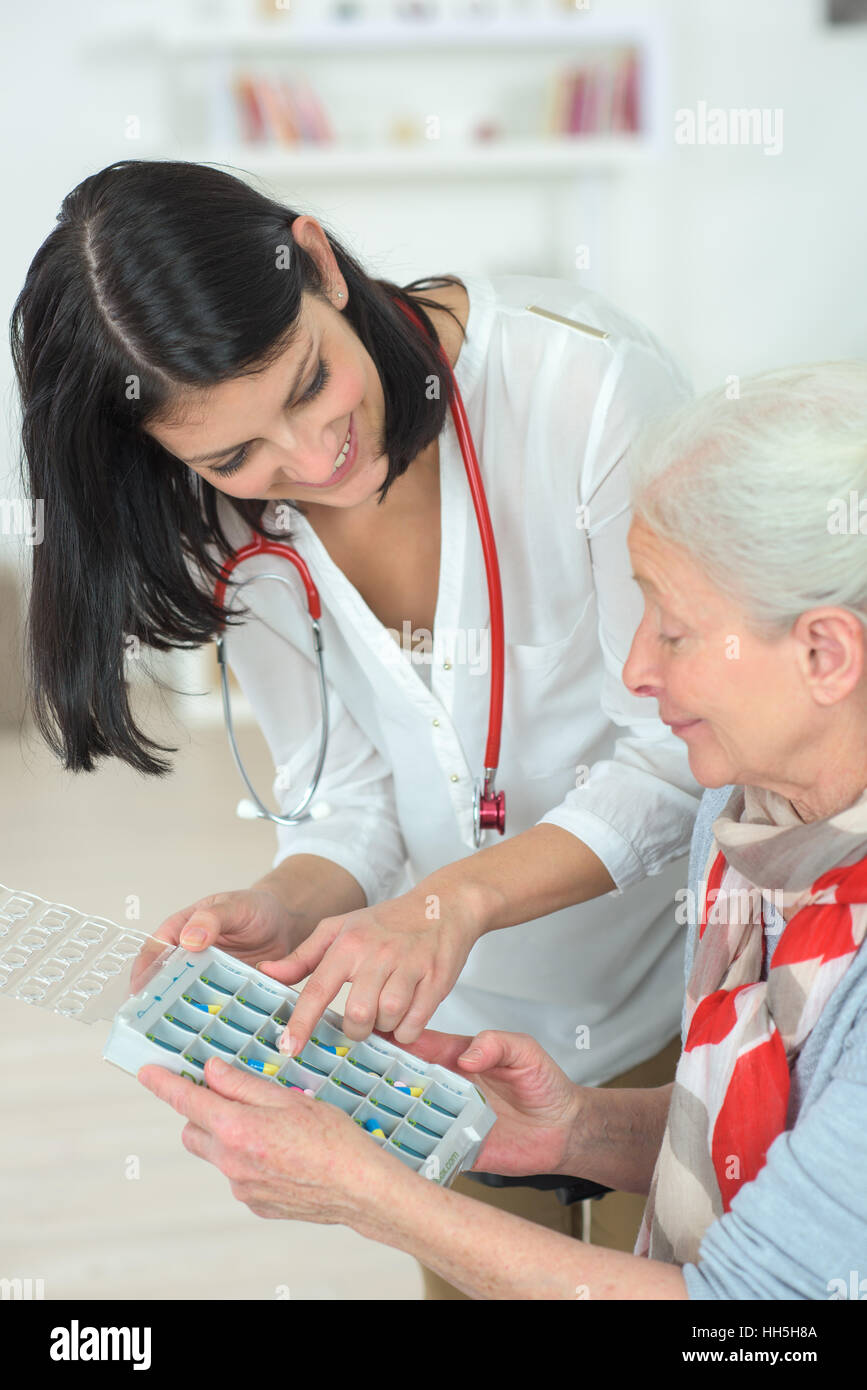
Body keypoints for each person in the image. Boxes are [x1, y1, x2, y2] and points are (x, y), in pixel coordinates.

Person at [11, 159, 700, 1291]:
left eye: (306, 383)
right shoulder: (226, 516)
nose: (308, 458)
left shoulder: (588, 389)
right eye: (234, 454)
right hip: (447, 1046)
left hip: (674, 1003)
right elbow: (352, 793)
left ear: (320, 263)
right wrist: (284, 903)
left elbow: (680, 751)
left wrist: (451, 901)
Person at [139, 359, 867, 1298]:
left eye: (675, 632)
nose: (635, 671)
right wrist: (577, 1133)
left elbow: (750, 1324)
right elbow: (796, 1150)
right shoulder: (746, 821)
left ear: (822, 653)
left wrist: (373, 1198)